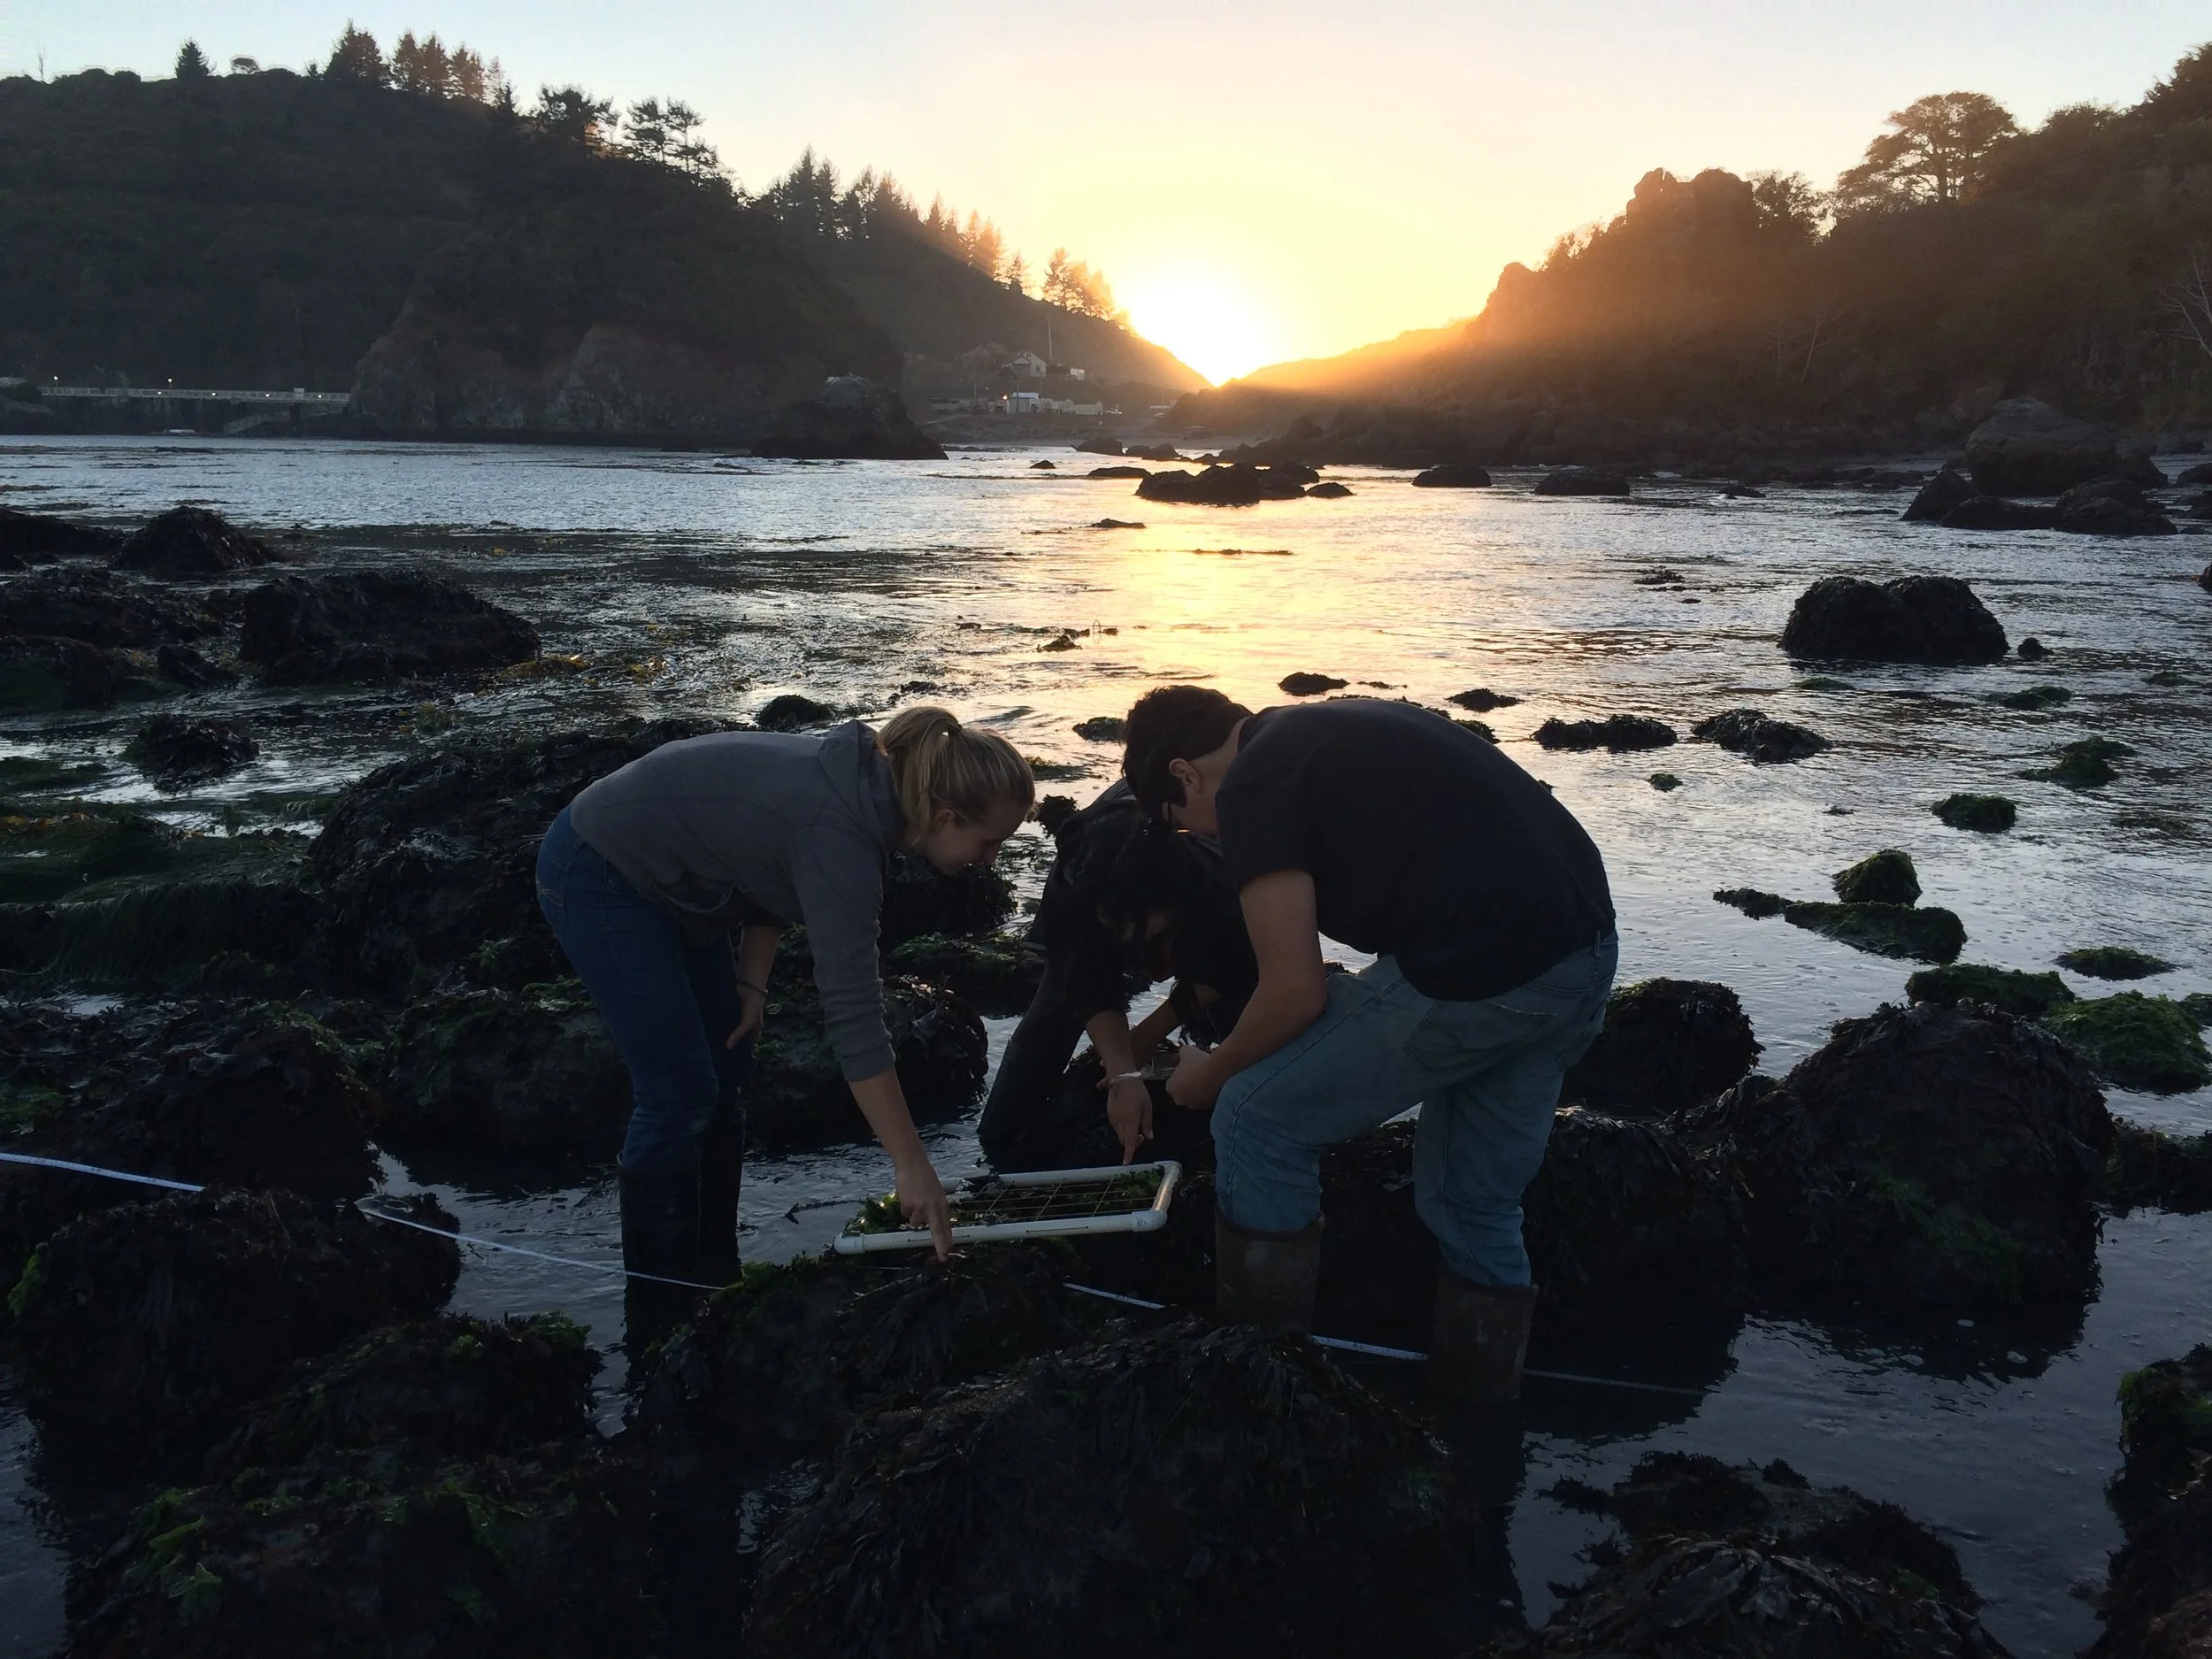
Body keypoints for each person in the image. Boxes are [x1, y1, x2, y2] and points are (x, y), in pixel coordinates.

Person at [1121, 687, 1617, 1402]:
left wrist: (1212, 1073)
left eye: (1179, 824)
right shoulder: (1330, 723)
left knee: (1255, 1119)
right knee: (1472, 1200)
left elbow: (1295, 990)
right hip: (1581, 959)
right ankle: (1477, 1422)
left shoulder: (1253, 782)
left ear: (1185, 775)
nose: (1203, 842)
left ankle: (1265, 1391)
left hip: (1479, 972)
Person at [535, 708, 1033, 1291]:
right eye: (990, 841)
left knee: (729, 1063)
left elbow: (768, 859)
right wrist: (912, 1165)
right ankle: (660, 1299)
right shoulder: (844, 829)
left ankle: (715, 1271)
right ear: (945, 815)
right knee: (678, 1092)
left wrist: (751, 983)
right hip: (599, 868)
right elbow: (852, 1014)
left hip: (678, 881)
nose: (992, 858)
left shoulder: (868, 788)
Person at [978, 780, 1256, 1171]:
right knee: (1053, 1014)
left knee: (1244, 1019)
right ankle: (997, 1152)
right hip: (1104, 849)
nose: (1134, 949)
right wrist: (1123, 1070)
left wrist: (1146, 1035)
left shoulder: (1224, 881)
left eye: (1145, 933)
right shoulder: (1075, 879)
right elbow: (1084, 977)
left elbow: (1237, 965)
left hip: (1213, 894)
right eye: (1118, 929)